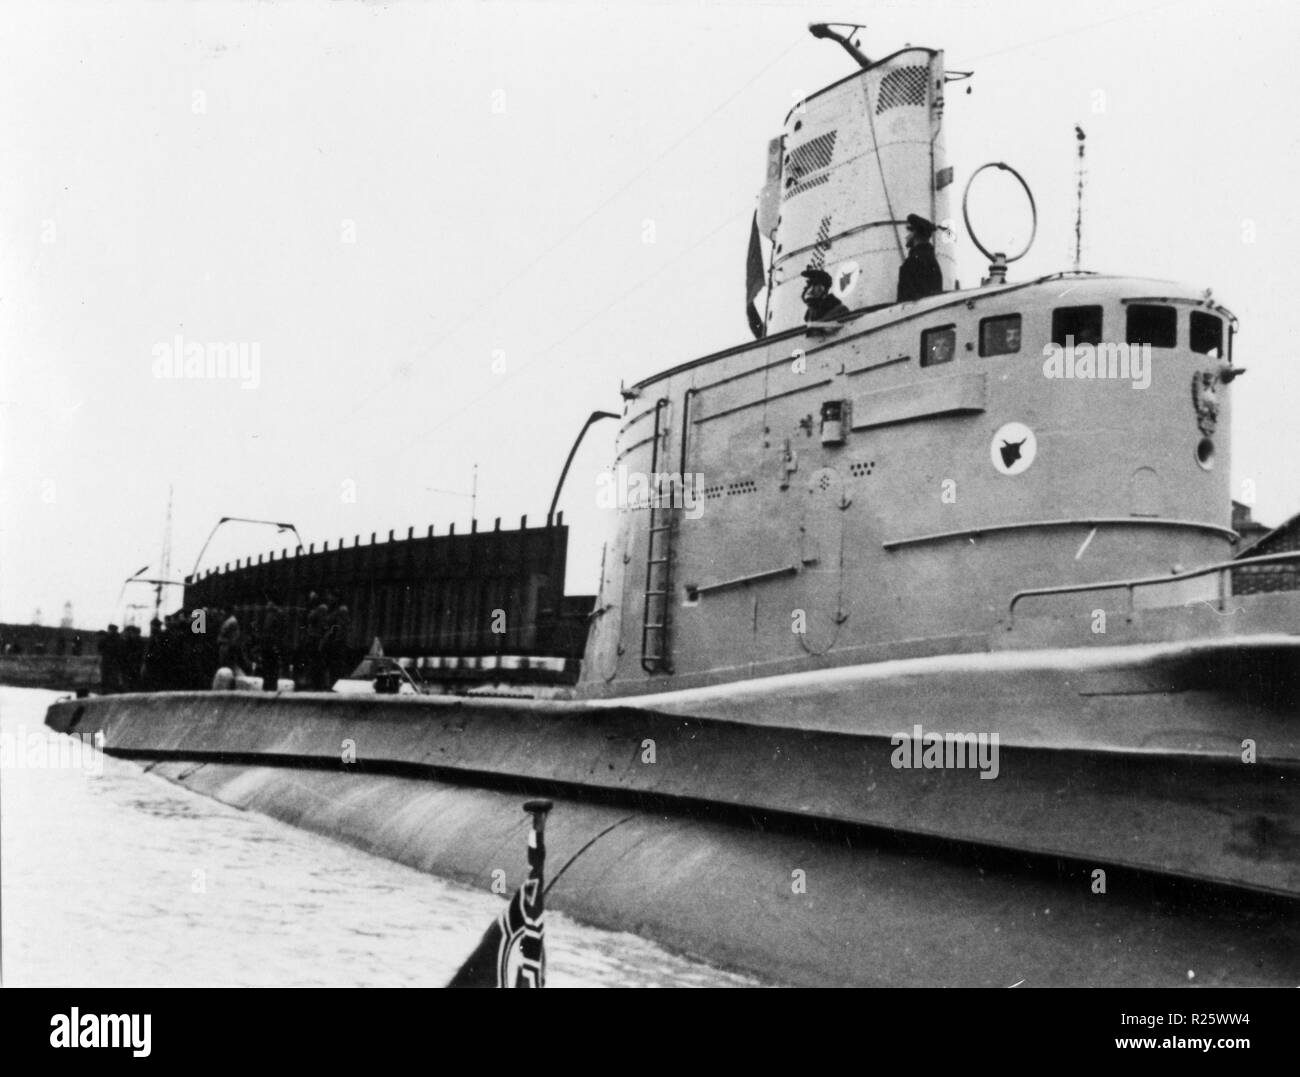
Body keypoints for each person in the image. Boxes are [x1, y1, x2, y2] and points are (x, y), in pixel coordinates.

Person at [896, 213, 944, 303]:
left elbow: (905, 300)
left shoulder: (913, 262)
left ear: (915, 233)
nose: (906, 236)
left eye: (909, 232)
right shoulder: (932, 261)